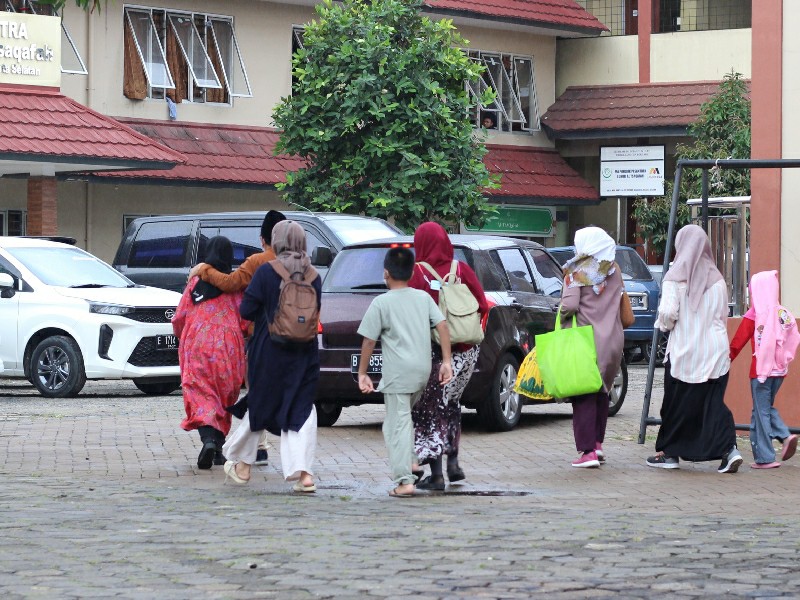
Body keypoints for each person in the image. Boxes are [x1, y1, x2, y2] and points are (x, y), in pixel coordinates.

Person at [221, 221, 321, 492]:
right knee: (302, 408)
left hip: (269, 349)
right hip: (305, 351)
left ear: (276, 242)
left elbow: (246, 309)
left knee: (261, 404)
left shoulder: (266, 271)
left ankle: (243, 466)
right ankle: (304, 475)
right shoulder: (314, 275)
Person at [189, 210, 287, 466]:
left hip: (263, 337)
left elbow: (231, 283)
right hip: (293, 338)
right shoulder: (302, 264)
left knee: (256, 392)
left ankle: (252, 447)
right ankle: (278, 451)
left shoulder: (258, 262)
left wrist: (204, 270)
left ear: (263, 239)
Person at [357, 247, 453, 498]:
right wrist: (446, 361)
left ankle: (404, 480)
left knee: (396, 426)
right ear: (412, 273)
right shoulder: (423, 298)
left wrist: (363, 373)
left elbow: (369, 340)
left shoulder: (381, 302)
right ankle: (411, 462)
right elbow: (442, 325)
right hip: (422, 372)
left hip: (398, 375)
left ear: (385, 273)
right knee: (400, 421)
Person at [646, 224, 743, 473]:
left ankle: (669, 453)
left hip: (685, 351)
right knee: (712, 405)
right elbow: (722, 316)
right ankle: (729, 450)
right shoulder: (717, 280)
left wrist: (666, 326)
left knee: (676, 405)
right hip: (715, 352)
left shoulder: (674, 278)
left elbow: (668, 313)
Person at [408, 222, 488, 489]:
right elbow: (482, 304)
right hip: (468, 351)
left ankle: (436, 475)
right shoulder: (461, 269)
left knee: (428, 411)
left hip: (437, 354)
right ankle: (453, 463)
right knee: (451, 405)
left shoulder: (418, 273)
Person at [172, 236, 249, 470]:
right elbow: (246, 320)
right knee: (223, 395)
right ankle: (217, 448)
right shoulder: (235, 285)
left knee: (200, 393)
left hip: (197, 342)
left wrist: (183, 336)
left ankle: (209, 440)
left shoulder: (195, 283)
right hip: (228, 346)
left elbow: (179, 317)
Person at [559, 227, 624, 468]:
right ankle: (597, 445)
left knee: (584, 393)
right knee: (601, 392)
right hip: (613, 340)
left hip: (587, 341)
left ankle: (587, 452)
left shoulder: (577, 271)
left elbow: (570, 305)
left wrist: (560, 311)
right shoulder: (614, 269)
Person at [730, 270, 800, 469]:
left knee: (762, 412)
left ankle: (774, 448)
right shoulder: (782, 313)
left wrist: (726, 360)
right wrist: (785, 358)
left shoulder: (754, 315)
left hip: (760, 373)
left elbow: (737, 343)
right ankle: (761, 456)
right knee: (760, 411)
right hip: (779, 372)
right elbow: (794, 336)